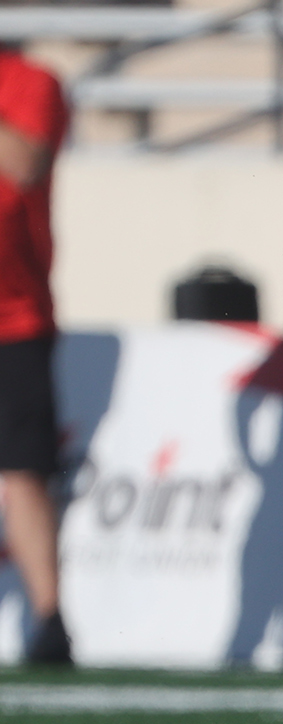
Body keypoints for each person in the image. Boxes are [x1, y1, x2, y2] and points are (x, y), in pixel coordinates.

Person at [0, 43, 70, 667]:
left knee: (22, 471)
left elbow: (23, 163)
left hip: (13, 317)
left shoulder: (29, 81)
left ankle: (49, 618)